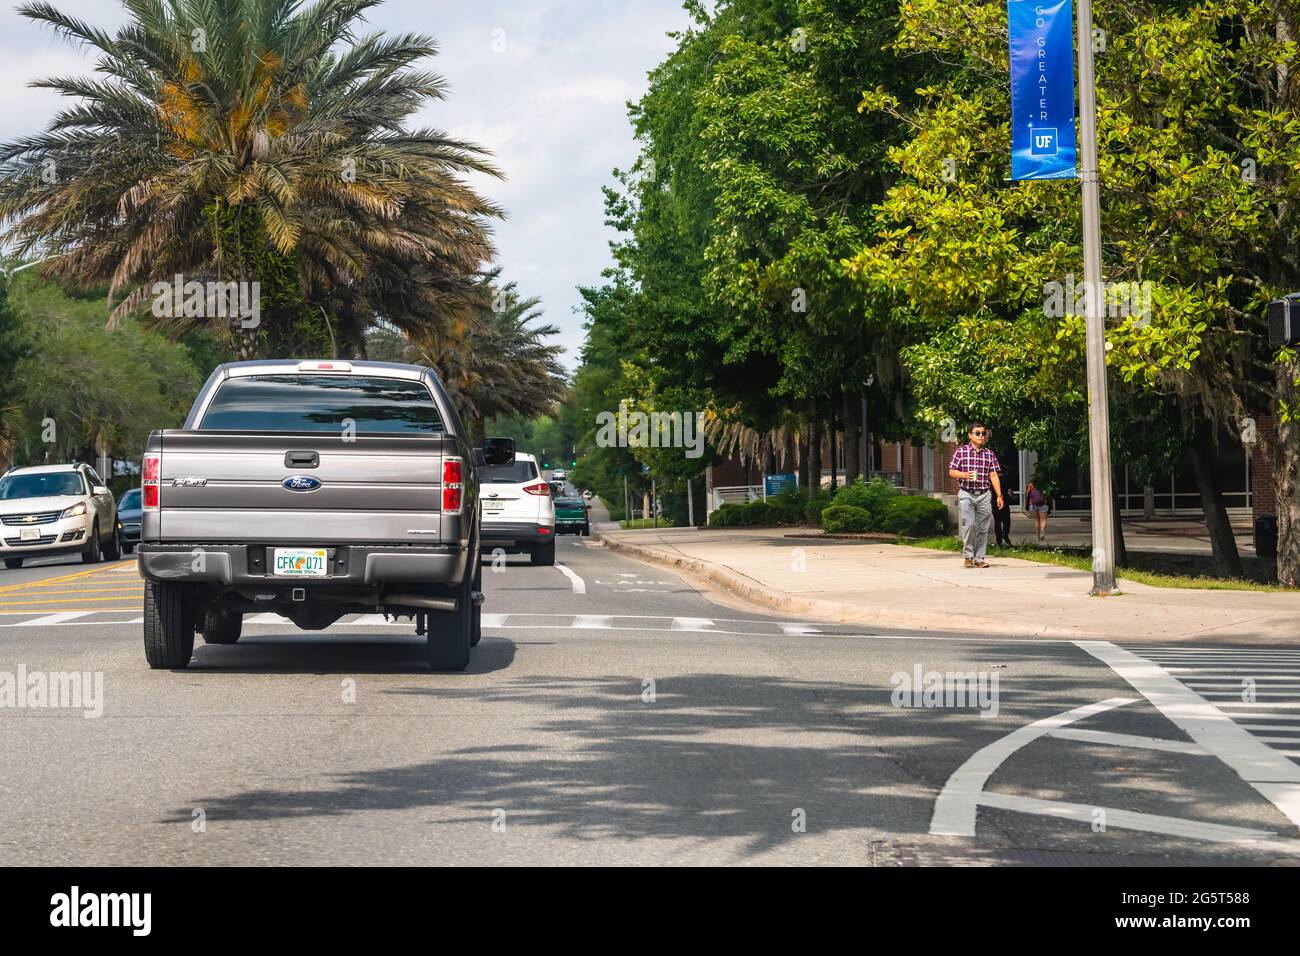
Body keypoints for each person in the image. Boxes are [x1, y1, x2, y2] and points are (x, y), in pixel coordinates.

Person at [948, 422, 1004, 568]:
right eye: (977, 433)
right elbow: (952, 471)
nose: (981, 436)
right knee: (969, 524)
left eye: (983, 433)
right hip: (966, 493)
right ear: (970, 435)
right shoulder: (961, 452)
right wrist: (965, 475)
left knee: (983, 528)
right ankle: (968, 556)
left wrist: (999, 495)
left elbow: (993, 475)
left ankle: (979, 558)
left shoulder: (989, 454)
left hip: (984, 494)